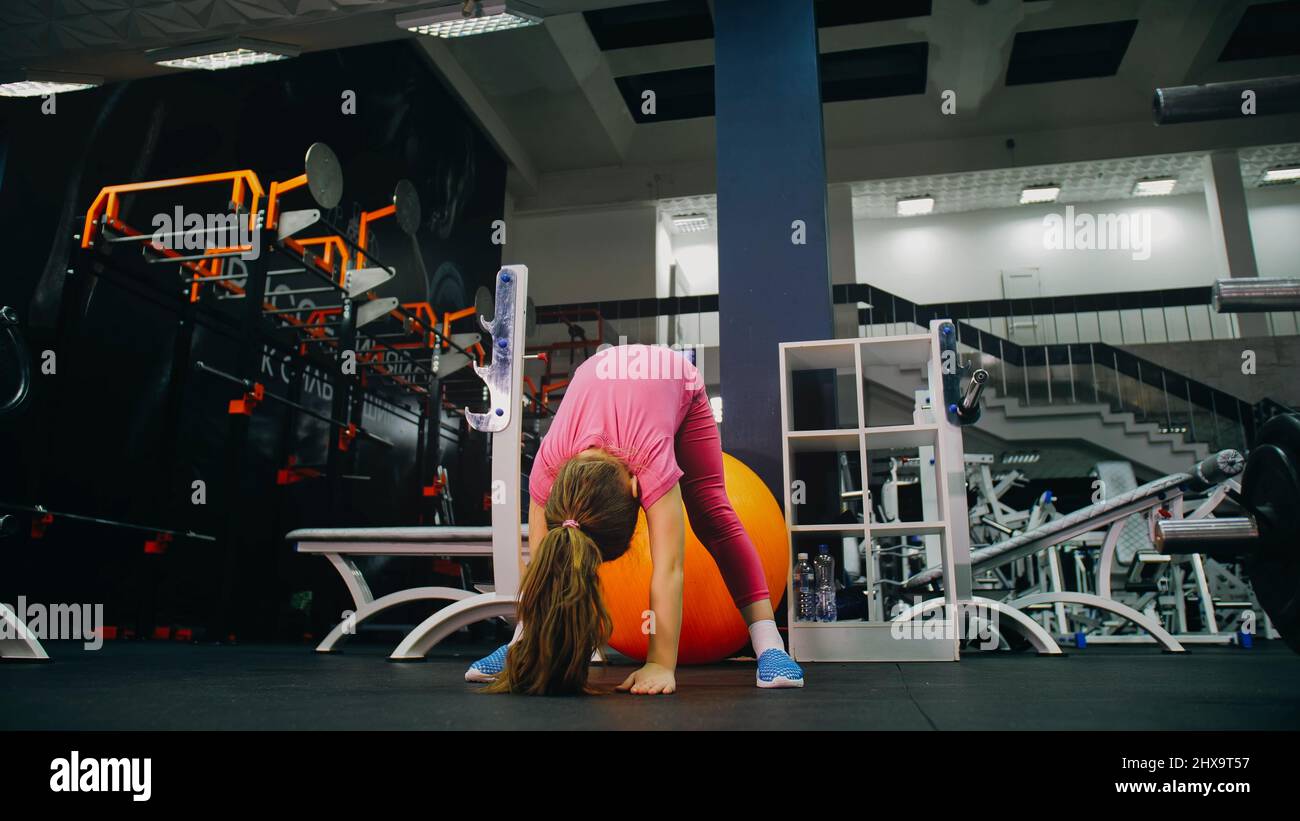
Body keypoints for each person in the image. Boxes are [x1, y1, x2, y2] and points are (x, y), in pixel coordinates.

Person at [466, 343, 804, 695]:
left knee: (711, 513)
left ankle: (769, 644)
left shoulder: (648, 461)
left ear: (635, 488)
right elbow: (544, 568)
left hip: (671, 373)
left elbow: (669, 568)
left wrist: (659, 663)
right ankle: (522, 639)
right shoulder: (546, 470)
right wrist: (531, 642)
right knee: (554, 560)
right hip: (599, 371)